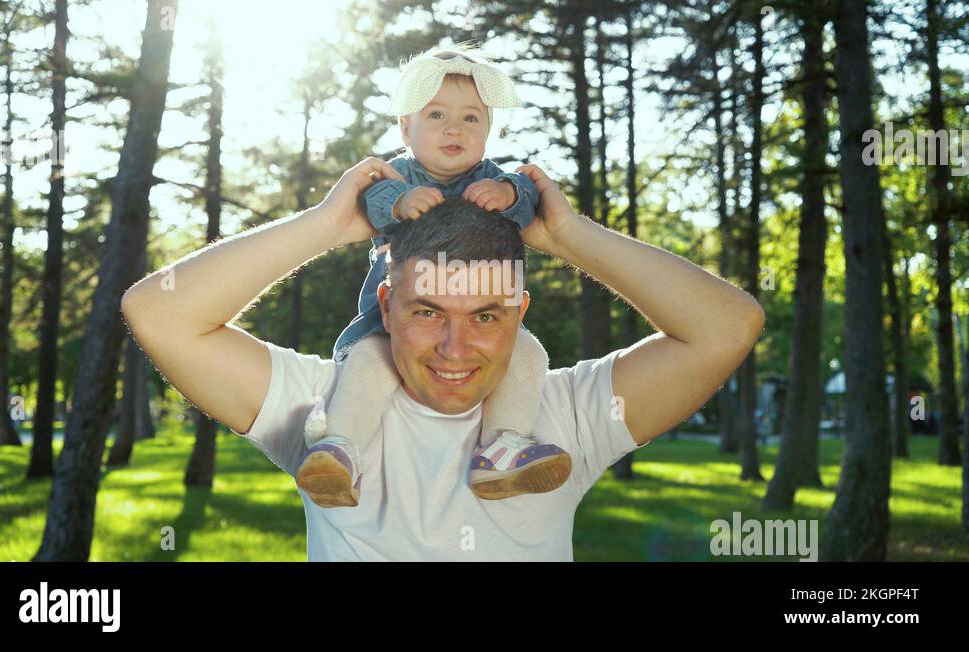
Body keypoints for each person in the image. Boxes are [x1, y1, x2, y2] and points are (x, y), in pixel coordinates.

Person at [121, 156, 765, 561]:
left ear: (520, 313)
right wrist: (329, 224)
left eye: (485, 316)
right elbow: (159, 312)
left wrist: (569, 234)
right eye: (427, 311)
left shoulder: (562, 419)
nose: (455, 350)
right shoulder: (324, 413)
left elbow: (730, 326)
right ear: (386, 303)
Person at [299, 45, 568, 509]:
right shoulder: (398, 175)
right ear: (407, 128)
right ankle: (341, 450)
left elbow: (529, 199)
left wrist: (507, 193)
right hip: (403, 319)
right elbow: (373, 199)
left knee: (529, 355)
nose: (453, 129)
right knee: (368, 363)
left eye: (471, 119)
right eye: (437, 115)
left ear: (488, 131)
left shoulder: (494, 178)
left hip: (482, 310)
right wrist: (400, 204)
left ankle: (502, 447)